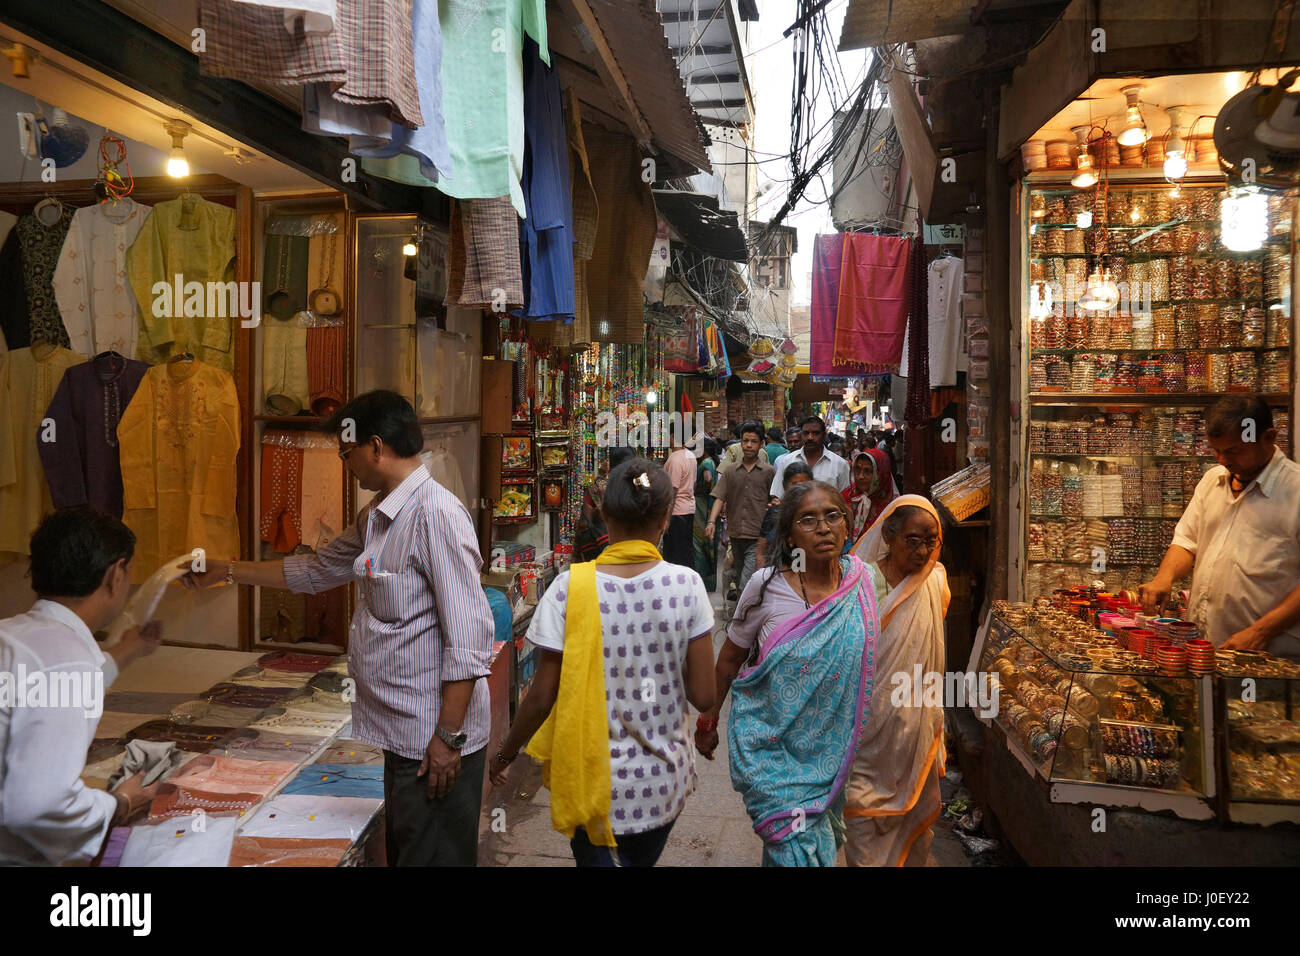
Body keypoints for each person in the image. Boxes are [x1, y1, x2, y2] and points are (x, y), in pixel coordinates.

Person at [180, 389, 494, 866]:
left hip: (436, 739)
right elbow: (316, 570)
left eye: (346, 453)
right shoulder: (378, 518)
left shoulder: (437, 517)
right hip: (406, 733)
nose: (346, 464)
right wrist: (226, 570)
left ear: (374, 446)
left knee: (433, 858)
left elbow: (469, 642)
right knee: (412, 852)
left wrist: (448, 739)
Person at [489, 459, 716, 866]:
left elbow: (541, 696)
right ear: (666, 517)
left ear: (604, 513)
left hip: (589, 782)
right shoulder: (688, 586)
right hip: (663, 783)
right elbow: (703, 694)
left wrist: (505, 755)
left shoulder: (567, 589)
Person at [698, 481, 880, 866]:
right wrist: (708, 721)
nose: (824, 528)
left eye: (832, 516)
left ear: (847, 524)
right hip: (773, 757)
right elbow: (729, 660)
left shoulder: (860, 583)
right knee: (793, 851)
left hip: (830, 760)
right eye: (808, 520)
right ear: (789, 535)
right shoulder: (766, 586)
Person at [0, 507, 163, 865]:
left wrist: (130, 648)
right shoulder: (66, 660)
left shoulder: (14, 634)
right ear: (115, 574)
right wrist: (119, 804)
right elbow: (37, 805)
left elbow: (59, 681)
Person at [1139, 396, 1300, 654]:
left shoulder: (1295, 492)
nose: (1223, 459)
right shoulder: (1213, 480)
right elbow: (1186, 542)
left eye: (1234, 450)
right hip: (1204, 646)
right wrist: (1164, 578)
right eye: (1216, 450)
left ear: (1269, 438)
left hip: (1268, 656)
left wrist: (1261, 631)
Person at [844, 496, 949, 866]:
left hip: (915, 728)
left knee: (913, 821)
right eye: (913, 540)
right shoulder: (862, 581)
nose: (923, 551)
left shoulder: (936, 582)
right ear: (889, 535)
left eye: (931, 541)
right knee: (862, 812)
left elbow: (929, 648)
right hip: (868, 729)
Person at [706, 421, 776, 596]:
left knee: (745, 583)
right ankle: (744, 615)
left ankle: (740, 619)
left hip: (757, 536)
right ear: (741, 443)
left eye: (753, 441)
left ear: (761, 444)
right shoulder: (730, 471)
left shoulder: (768, 472)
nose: (749, 445)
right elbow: (719, 497)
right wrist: (711, 522)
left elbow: (774, 499)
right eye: (745, 441)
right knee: (738, 578)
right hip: (735, 534)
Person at [769, 416, 851, 498]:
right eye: (806, 433)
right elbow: (777, 495)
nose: (810, 437)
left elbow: (845, 499)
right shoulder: (787, 461)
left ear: (824, 435)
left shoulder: (840, 464)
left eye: (816, 433)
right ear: (801, 435)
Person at [756, 461, 814, 570]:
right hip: (775, 577)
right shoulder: (774, 512)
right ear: (784, 485)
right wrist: (762, 578)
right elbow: (761, 552)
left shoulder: (816, 514)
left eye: (805, 484)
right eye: (794, 484)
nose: (800, 489)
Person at [845, 448, 899, 547]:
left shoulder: (892, 509)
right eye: (857, 469)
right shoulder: (846, 497)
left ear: (880, 475)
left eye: (867, 471)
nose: (860, 476)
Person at [662, 433, 698, 568]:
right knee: (685, 550)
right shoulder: (690, 455)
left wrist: (666, 519)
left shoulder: (675, 459)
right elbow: (693, 484)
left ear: (672, 436)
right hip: (688, 508)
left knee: (674, 554)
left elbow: (673, 491)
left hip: (676, 512)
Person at [693, 438, 721, 590]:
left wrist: (698, 489)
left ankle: (701, 581)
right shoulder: (710, 462)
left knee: (699, 544)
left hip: (702, 506)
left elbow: (708, 478)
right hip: (705, 505)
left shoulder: (706, 463)